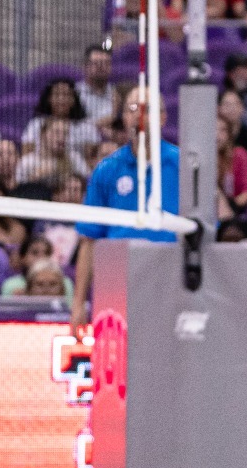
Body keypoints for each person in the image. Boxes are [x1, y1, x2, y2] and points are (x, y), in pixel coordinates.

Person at [67, 86, 181, 324]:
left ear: (162, 117)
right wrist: (78, 305)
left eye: (147, 110)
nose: (139, 116)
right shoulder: (107, 169)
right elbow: (88, 240)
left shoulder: (182, 165)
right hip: (117, 278)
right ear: (124, 118)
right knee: (116, 354)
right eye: (132, 109)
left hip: (170, 277)